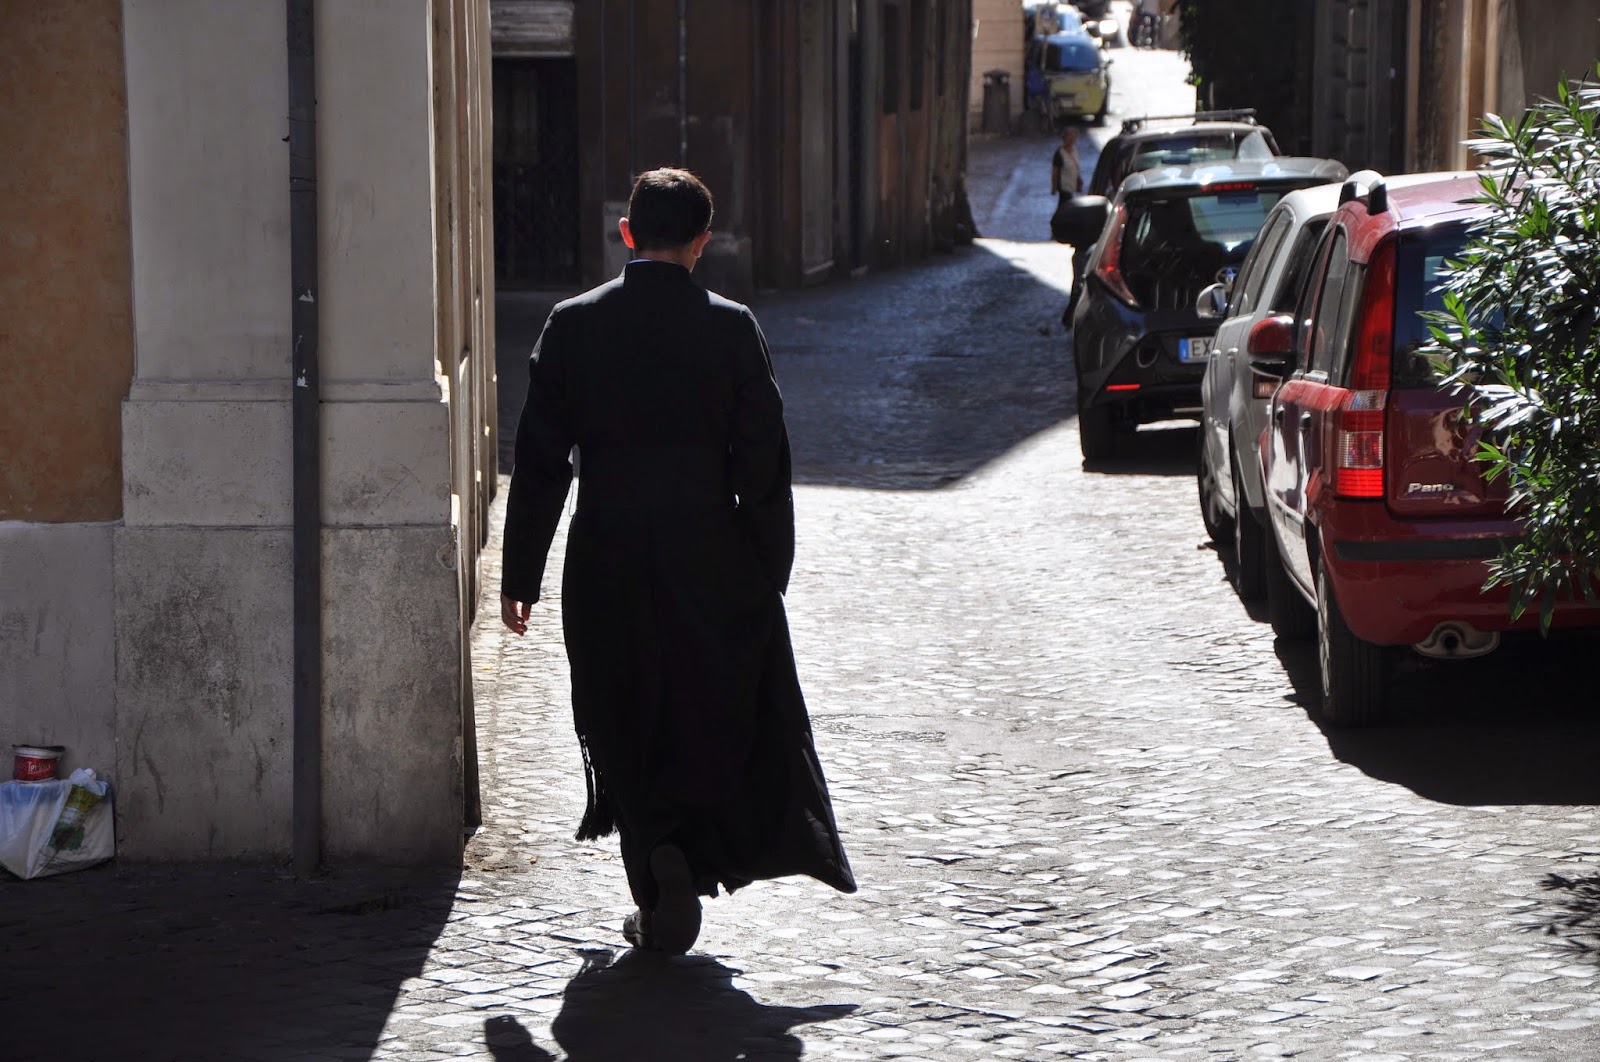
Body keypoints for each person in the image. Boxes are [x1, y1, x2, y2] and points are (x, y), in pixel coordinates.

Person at [499, 167, 856, 955]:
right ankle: (683, 857)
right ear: (703, 243)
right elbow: (764, 457)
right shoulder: (731, 328)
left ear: (627, 234)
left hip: (606, 554)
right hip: (711, 555)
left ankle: (657, 854)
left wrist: (519, 575)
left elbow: (540, 463)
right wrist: (768, 566)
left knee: (620, 707)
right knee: (703, 705)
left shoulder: (571, 324)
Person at [1051, 128, 1091, 321]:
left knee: (1065, 205)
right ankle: (1057, 227)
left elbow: (1076, 167)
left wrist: (1079, 180)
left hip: (1071, 185)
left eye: (1075, 137)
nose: (1073, 140)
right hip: (1064, 186)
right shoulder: (1059, 153)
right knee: (1063, 206)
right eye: (1071, 137)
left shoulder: (1074, 151)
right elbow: (1055, 170)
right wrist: (1053, 186)